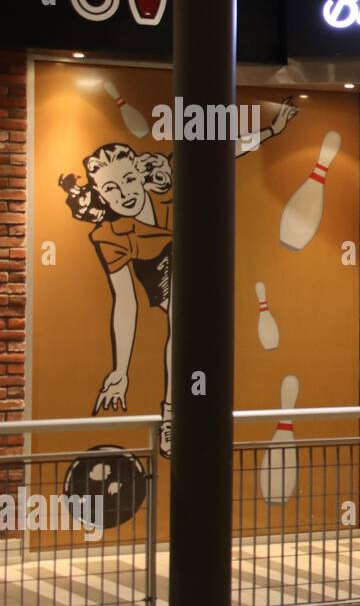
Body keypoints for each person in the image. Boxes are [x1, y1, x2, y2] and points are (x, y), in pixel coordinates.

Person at [58, 97, 298, 456]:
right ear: (101, 196)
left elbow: (224, 151)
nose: (124, 193)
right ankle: (172, 415)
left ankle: (191, 408)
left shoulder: (172, 180)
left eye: (127, 180)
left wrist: (272, 131)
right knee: (180, 316)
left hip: (192, 253)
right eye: (111, 189)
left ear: (140, 173)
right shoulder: (110, 235)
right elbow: (125, 302)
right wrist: (119, 370)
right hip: (155, 267)